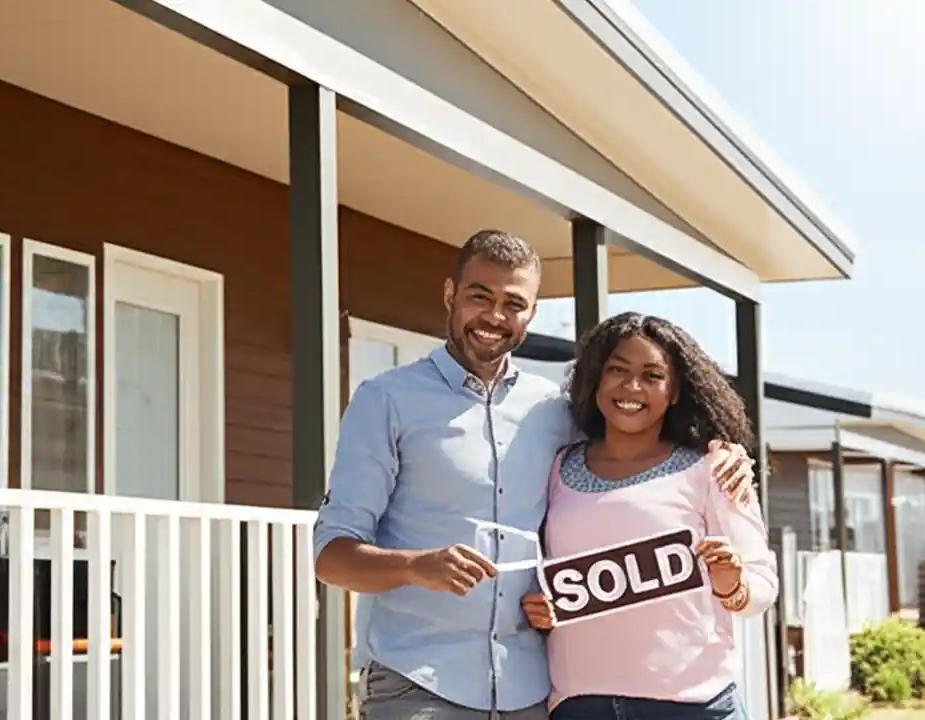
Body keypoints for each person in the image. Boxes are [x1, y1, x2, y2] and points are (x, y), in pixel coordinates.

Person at [313, 230, 757, 719]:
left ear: (531, 313)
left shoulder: (555, 412)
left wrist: (722, 449)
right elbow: (332, 557)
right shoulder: (386, 400)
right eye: (479, 296)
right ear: (449, 294)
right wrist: (416, 566)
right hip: (420, 684)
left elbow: (626, 458)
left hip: (529, 690)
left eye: (513, 303)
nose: (495, 316)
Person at [521, 312, 778, 720]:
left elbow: (762, 585)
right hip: (583, 706)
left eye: (652, 376)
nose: (631, 387)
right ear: (595, 378)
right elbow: (542, 573)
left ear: (676, 391)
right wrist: (544, 608)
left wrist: (734, 584)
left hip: (693, 707)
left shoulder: (714, 469)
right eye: (617, 370)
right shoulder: (556, 469)